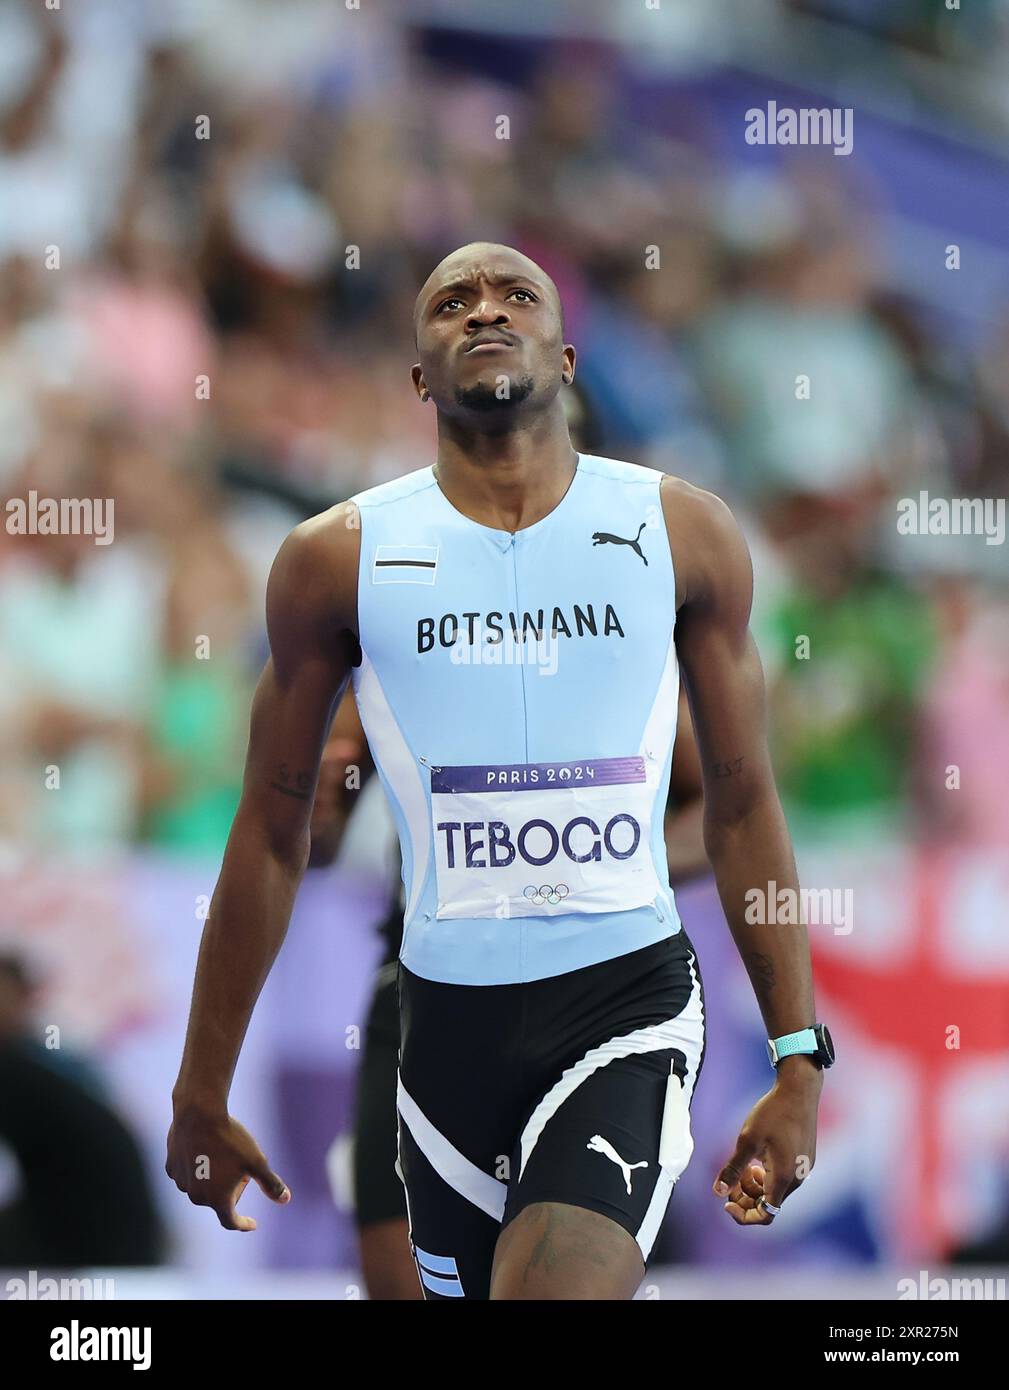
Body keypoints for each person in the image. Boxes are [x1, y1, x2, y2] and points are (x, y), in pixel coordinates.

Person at [167, 242, 832, 1300]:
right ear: (418, 377)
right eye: (450, 302)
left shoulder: (680, 532)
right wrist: (198, 1089)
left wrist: (799, 1057)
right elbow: (269, 833)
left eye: (514, 295)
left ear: (566, 358)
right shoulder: (337, 558)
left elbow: (745, 803)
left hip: (626, 1000)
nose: (483, 309)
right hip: (437, 1024)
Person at [311, 682, 709, 1300]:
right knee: (403, 1282)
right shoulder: (399, 605)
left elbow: (724, 806)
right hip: (425, 994)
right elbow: (305, 833)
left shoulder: (614, 613)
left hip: (593, 994)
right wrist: (316, 802)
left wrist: (602, 869)